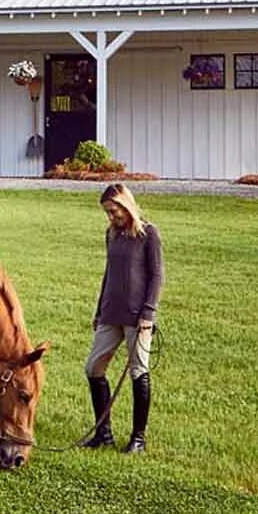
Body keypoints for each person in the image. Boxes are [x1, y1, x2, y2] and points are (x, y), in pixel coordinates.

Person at [81, 182, 163, 454]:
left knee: (138, 371)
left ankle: (138, 439)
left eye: (114, 211)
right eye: (107, 212)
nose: (111, 217)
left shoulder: (148, 234)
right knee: (93, 368)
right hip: (110, 313)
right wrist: (98, 310)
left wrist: (148, 313)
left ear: (126, 205)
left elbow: (156, 276)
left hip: (137, 317)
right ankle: (103, 434)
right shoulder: (111, 234)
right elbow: (109, 274)